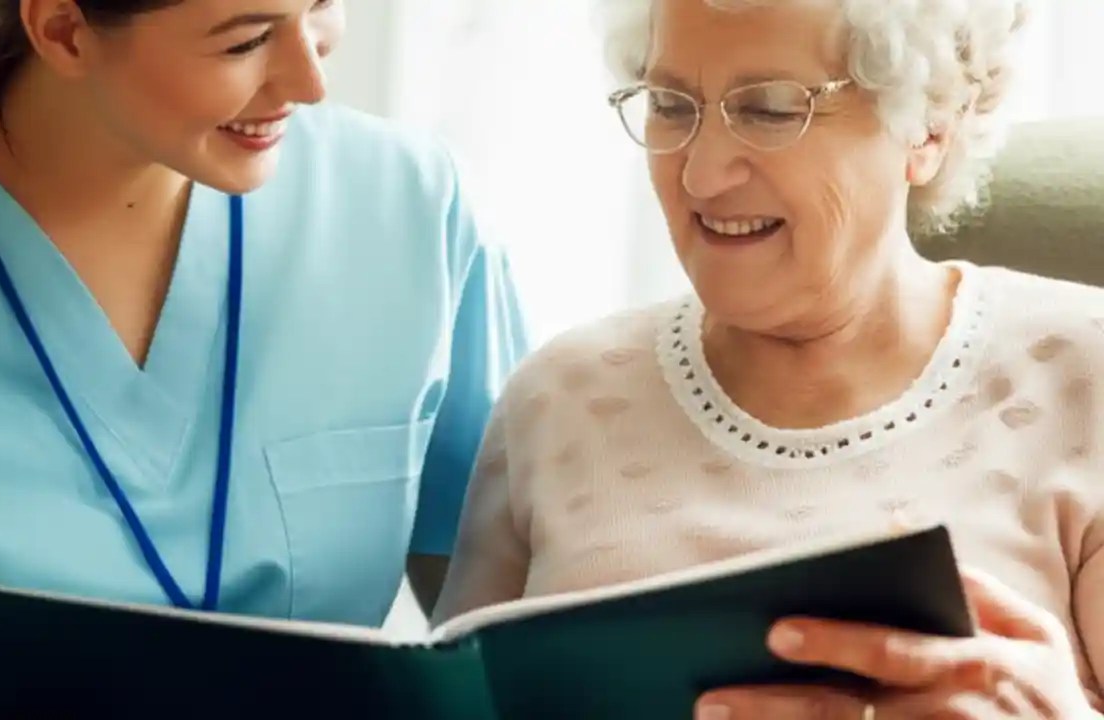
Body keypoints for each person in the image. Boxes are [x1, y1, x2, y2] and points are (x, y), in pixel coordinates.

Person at [0, 0, 528, 717]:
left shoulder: (414, 208)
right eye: (246, 41)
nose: (310, 82)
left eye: (321, 5)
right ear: (65, 31)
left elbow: (514, 643)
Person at [432, 0, 1104, 717]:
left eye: (774, 110)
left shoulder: (1079, 381)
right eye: (670, 104)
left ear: (928, 126)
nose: (702, 176)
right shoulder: (556, 398)